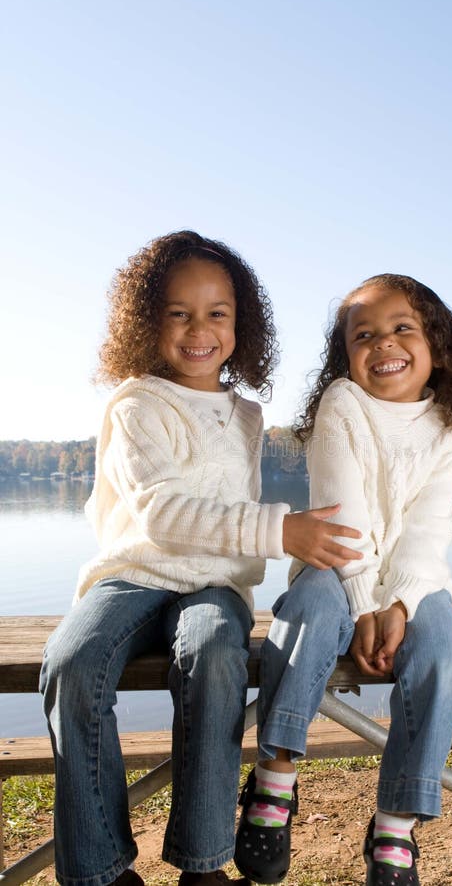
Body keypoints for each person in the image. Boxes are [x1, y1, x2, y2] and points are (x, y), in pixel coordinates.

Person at [40, 230, 363, 886]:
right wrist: (282, 532)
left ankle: (204, 859)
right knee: (70, 664)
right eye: (178, 313)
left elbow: (222, 527)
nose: (199, 330)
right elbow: (161, 515)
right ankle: (101, 867)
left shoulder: (247, 414)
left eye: (217, 314)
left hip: (213, 582)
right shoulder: (135, 404)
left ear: (241, 324)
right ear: (146, 321)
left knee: (216, 654)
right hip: (134, 573)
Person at [234, 274, 452, 886]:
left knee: (442, 656)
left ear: (436, 342)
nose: (384, 344)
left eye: (402, 329)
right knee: (306, 613)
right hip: (336, 564)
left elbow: (428, 527)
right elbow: (344, 515)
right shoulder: (344, 403)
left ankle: (393, 829)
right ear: (347, 353)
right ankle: (274, 783)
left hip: (418, 581)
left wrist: (403, 606)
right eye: (365, 335)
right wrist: (365, 607)